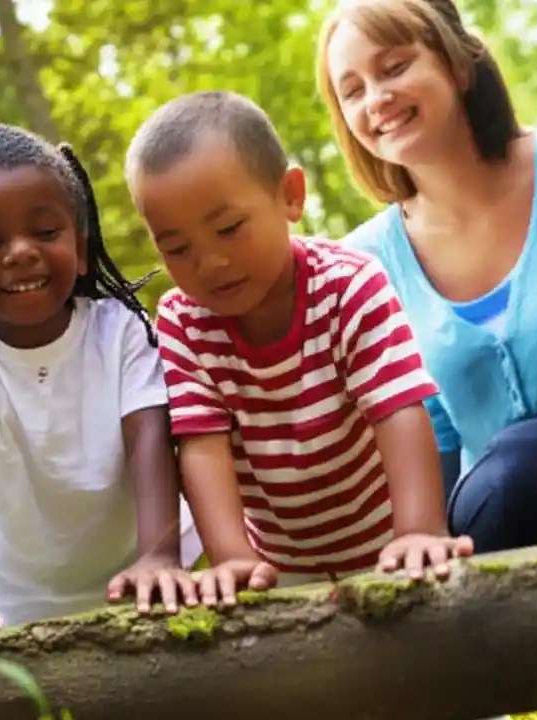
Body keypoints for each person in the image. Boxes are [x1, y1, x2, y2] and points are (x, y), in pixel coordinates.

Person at [124, 91, 473, 605]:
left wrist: (419, 529)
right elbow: (201, 445)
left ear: (289, 195)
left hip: (387, 543)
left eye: (228, 229)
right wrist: (231, 558)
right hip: (278, 567)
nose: (211, 262)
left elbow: (398, 409)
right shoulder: (184, 322)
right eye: (178, 249)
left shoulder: (350, 286)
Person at [0, 123, 203, 649]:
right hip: (26, 607)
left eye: (45, 232)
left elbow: (151, 442)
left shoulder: (120, 332)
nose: (20, 252)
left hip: (149, 579)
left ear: (81, 250)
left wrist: (160, 557)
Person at [318, 0, 537, 553]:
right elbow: (420, 444)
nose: (378, 99)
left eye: (394, 68)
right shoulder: (361, 266)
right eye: (354, 90)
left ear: (457, 65)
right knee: (523, 471)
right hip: (495, 529)